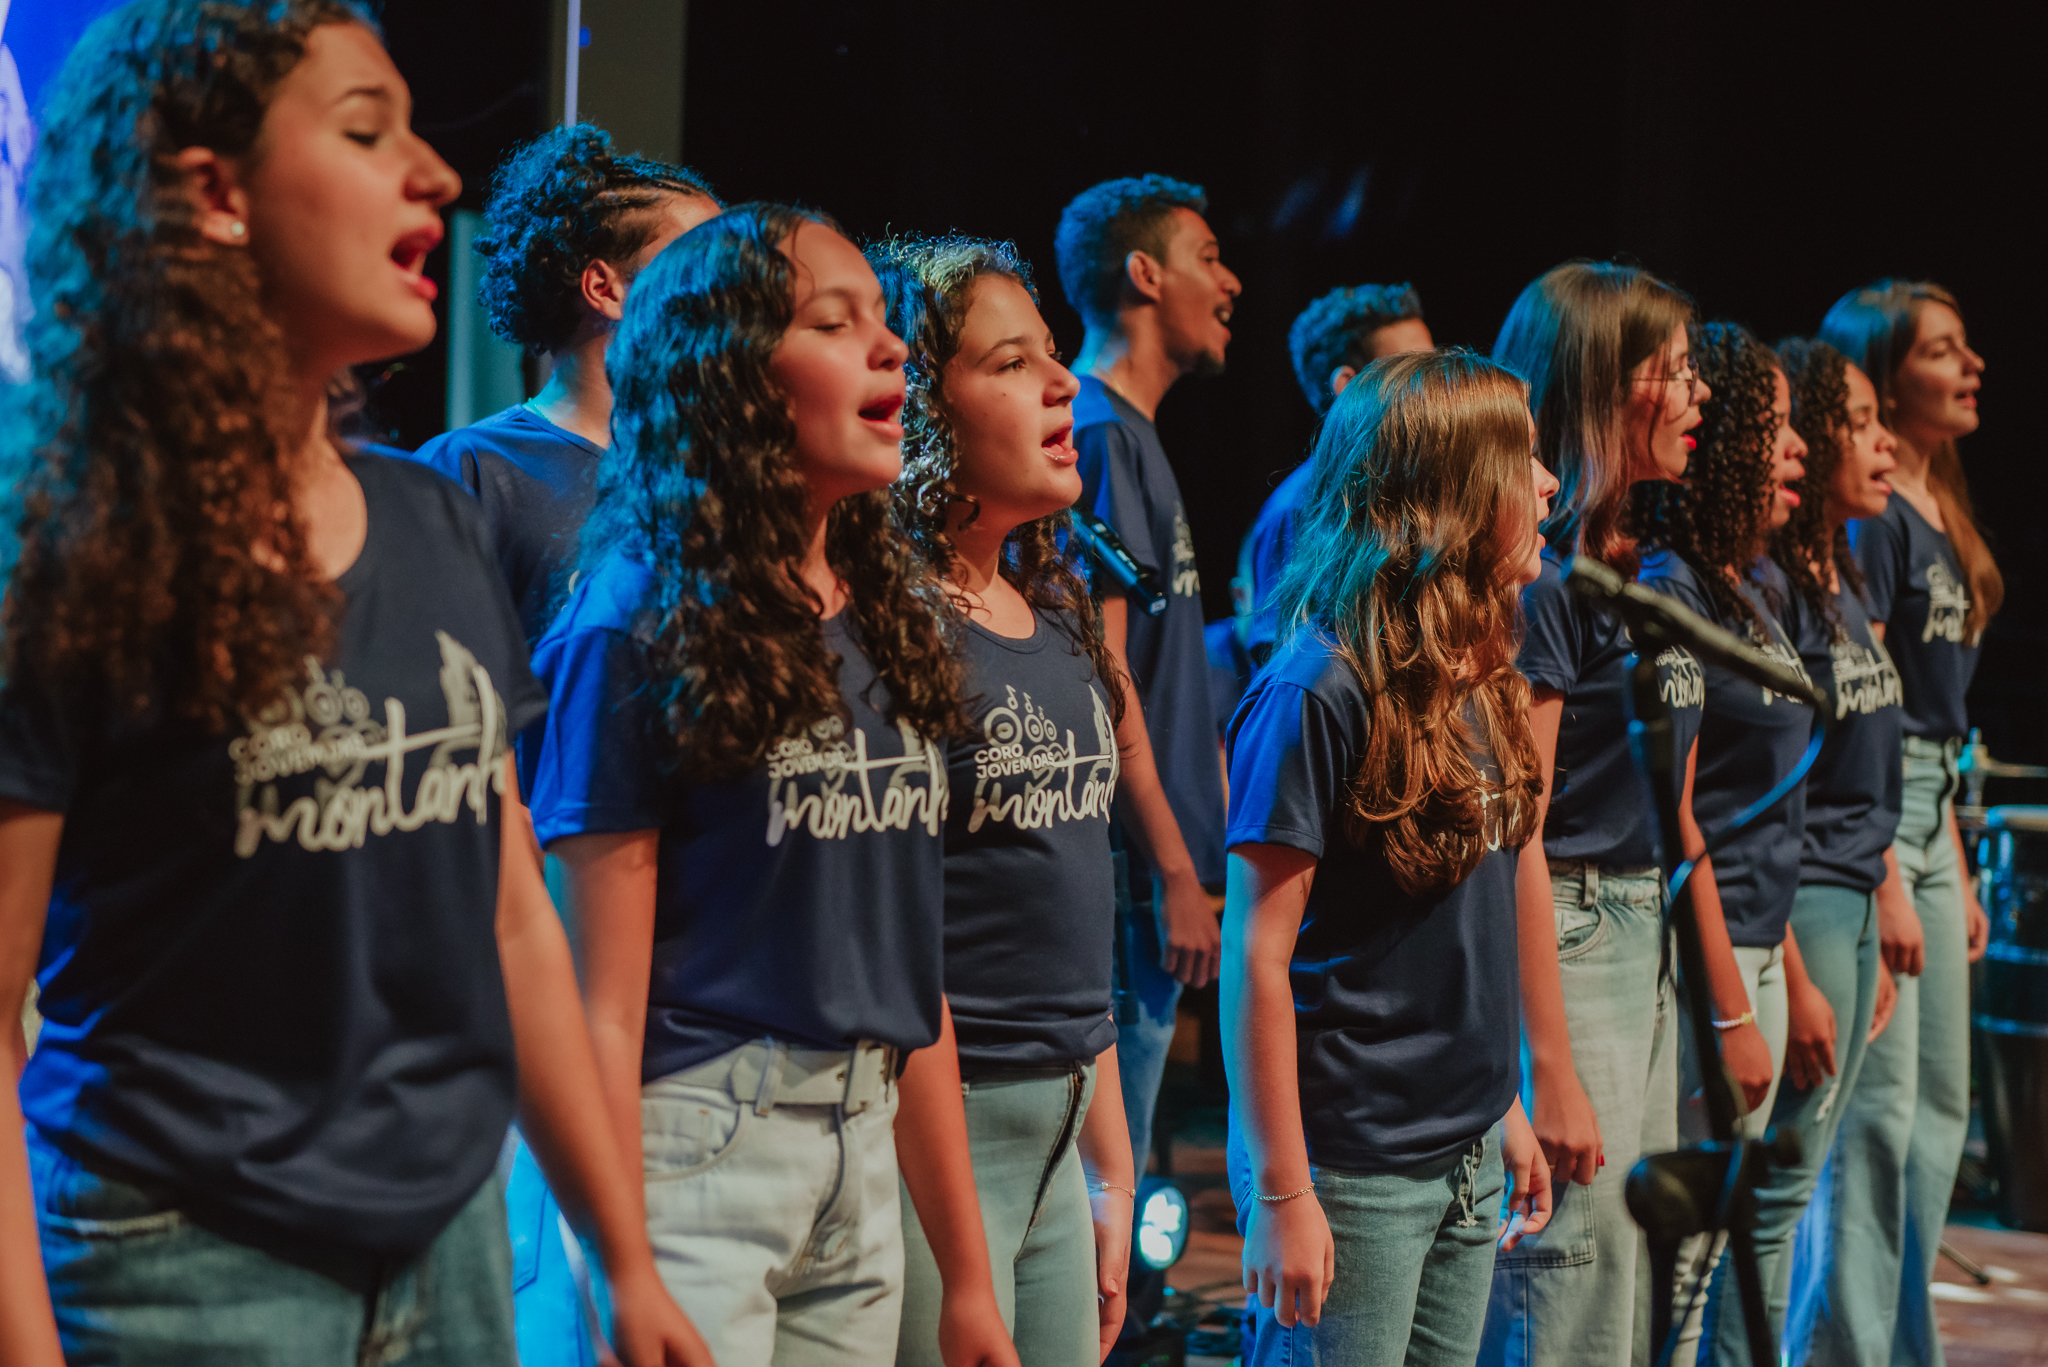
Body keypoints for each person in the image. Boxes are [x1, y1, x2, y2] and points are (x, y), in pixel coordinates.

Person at [0, 5, 706, 1364]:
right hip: (182, 1267)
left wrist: (620, 1258)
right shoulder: (65, 546)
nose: (435, 173)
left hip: (449, 1246)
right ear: (214, 192)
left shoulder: (427, 516)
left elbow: (512, 916)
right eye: (368, 133)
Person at [525, 204, 1018, 1367]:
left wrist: (967, 1280)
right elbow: (594, 1002)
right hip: (687, 1152)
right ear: (732, 373)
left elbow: (909, 981)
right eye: (833, 324)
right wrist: (618, 1261)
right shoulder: (636, 620)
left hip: (860, 1149)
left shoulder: (886, 620)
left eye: (884, 323)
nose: (889, 348)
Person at [1223, 348, 1557, 1366]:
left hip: (1464, 1150)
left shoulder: (1481, 669)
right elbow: (1255, 956)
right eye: (1523, 458)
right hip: (1353, 1167)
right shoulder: (1315, 690)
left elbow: (1463, 935)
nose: (1549, 483)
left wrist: (1503, 1106)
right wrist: (1283, 1190)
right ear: (1451, 492)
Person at [873, 232, 1148, 1366]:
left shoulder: (1054, 613)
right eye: (1010, 362)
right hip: (947, 1135)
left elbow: (1081, 906)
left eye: (1051, 353)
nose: (1061, 383)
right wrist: (965, 1266)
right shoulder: (891, 628)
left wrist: (1112, 1165)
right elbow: (902, 947)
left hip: (1065, 1128)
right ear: (925, 407)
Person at [1479, 261, 1704, 1367]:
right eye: (1674, 371)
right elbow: (1514, 827)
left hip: (1638, 928)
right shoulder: (1551, 579)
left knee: (1636, 1272)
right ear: (1605, 388)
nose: (1696, 394)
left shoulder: (1639, 563)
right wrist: (1548, 1062)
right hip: (1569, 932)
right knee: (1570, 1279)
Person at [1794, 281, 1996, 1367]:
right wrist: (1882, 864)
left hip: (1928, 811)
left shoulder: (1934, 504)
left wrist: (1948, 859)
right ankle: (1847, 1349)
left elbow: (1932, 721)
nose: (1970, 367)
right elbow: (1863, 708)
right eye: (1941, 350)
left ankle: (1900, 1346)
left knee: (1937, 1114)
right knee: (1874, 1121)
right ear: (1882, 369)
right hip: (1876, 819)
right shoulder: (1872, 524)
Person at [1694, 338, 1905, 1365]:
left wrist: (1884, 890)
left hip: (1832, 896)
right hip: (1785, 907)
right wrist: (1790, 966)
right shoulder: (1729, 588)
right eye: (1850, 423)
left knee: (1790, 1186)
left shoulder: (1801, 586)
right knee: (1761, 1199)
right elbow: (1726, 798)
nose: (1797, 447)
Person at [1630, 322, 1817, 1363]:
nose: (1794, 447)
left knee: (1740, 1243)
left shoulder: (1754, 587)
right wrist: (1731, 1005)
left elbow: (1760, 805)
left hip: (1758, 944)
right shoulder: (1672, 587)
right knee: (1687, 1271)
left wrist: (1788, 970)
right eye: (1773, 425)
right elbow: (1682, 815)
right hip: (1712, 960)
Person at [1055, 174, 1239, 1184]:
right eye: (1206, 257)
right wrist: (1170, 870)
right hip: (1132, 877)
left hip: (1158, 870)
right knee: (1105, 1191)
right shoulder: (1099, 431)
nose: (1230, 281)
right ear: (1144, 274)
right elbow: (1104, 672)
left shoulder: (1129, 432)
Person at [409, 123, 720, 644]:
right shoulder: (473, 467)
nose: (733, 284)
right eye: (701, 260)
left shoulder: (719, 466)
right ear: (605, 288)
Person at [1239, 282, 1433, 663]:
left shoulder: (1417, 486)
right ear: (1349, 385)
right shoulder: (1298, 510)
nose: (1435, 384)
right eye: (1412, 369)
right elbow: (1279, 661)